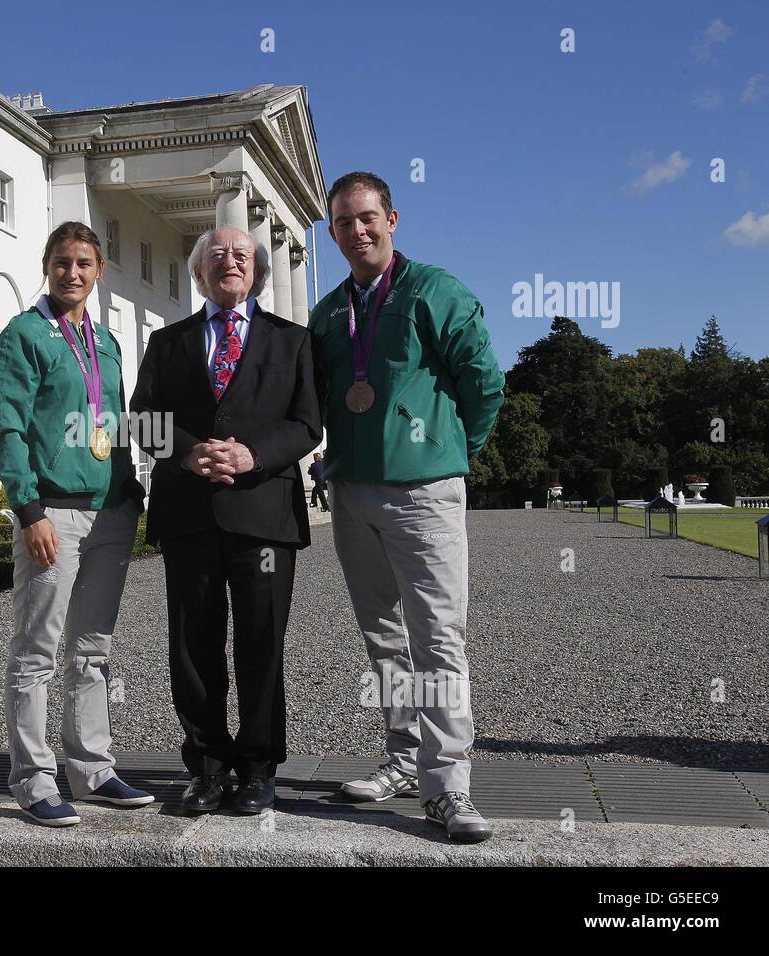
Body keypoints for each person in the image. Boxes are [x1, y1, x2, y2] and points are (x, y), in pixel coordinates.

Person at [310, 171, 505, 842]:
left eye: (367, 217)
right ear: (331, 231)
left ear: (394, 219)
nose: (356, 231)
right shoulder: (329, 311)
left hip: (424, 493)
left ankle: (448, 786)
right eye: (342, 221)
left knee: (438, 641)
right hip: (352, 492)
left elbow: (485, 384)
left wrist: (450, 452)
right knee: (385, 639)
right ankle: (400, 759)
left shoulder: (437, 292)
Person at [131, 226, 321, 816]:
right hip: (189, 513)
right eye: (217, 256)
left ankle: (260, 769)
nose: (230, 262)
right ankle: (208, 767)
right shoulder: (168, 342)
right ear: (198, 274)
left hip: (264, 516)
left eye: (241, 255)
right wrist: (187, 451)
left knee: (261, 645)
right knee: (193, 647)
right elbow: (141, 418)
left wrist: (253, 455)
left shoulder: (292, 341)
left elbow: (306, 424)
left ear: (259, 271)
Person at [0, 221, 152, 827]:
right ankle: (32, 777)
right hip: (52, 511)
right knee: (36, 651)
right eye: (61, 262)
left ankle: (90, 768)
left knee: (93, 649)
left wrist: (131, 492)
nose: (72, 273)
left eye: (84, 263)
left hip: (109, 513)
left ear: (99, 270)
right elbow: (6, 431)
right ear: (46, 266)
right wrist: (28, 510)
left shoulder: (105, 341)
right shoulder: (23, 337)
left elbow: (119, 421)